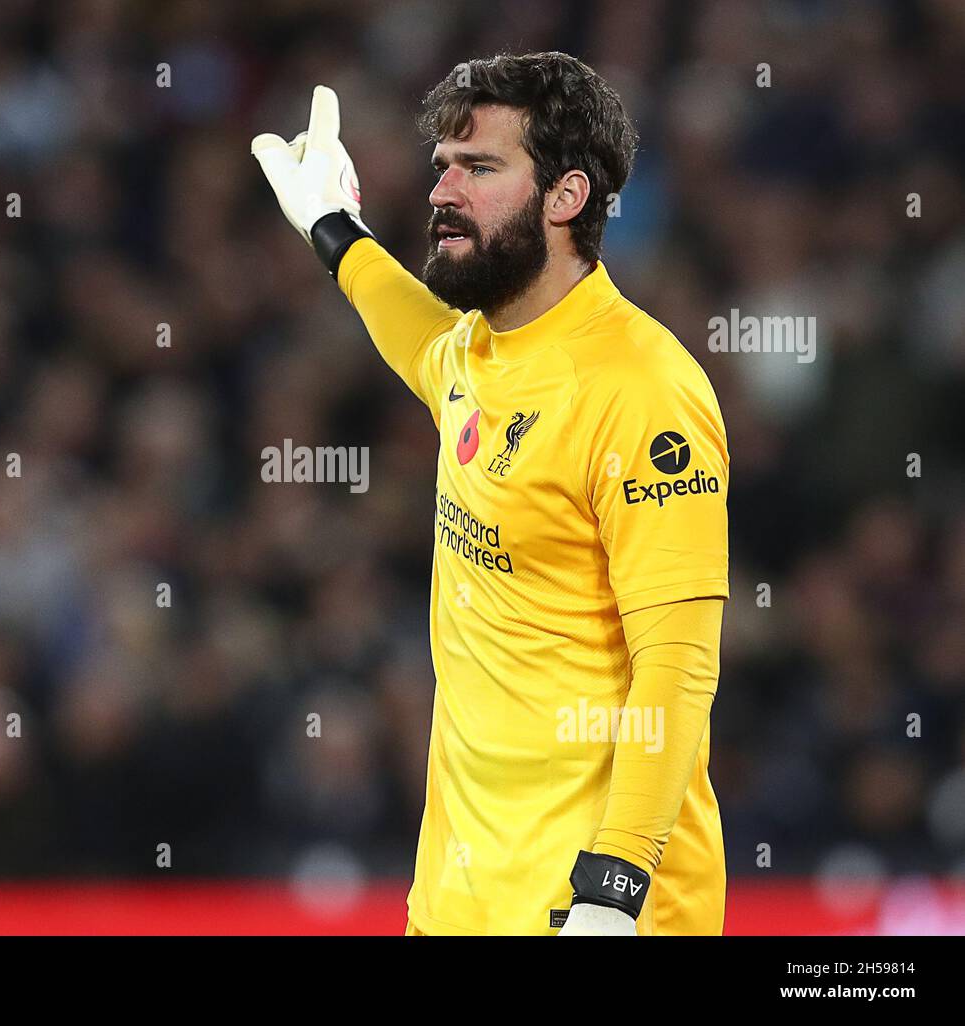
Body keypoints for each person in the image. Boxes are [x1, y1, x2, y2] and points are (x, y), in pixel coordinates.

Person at [252, 52, 728, 936]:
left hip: (597, 909)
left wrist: (614, 887)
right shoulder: (476, 352)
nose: (442, 190)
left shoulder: (642, 389)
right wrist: (332, 228)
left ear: (566, 197)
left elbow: (678, 666)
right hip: (458, 903)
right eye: (442, 166)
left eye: (479, 167)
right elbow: (414, 335)